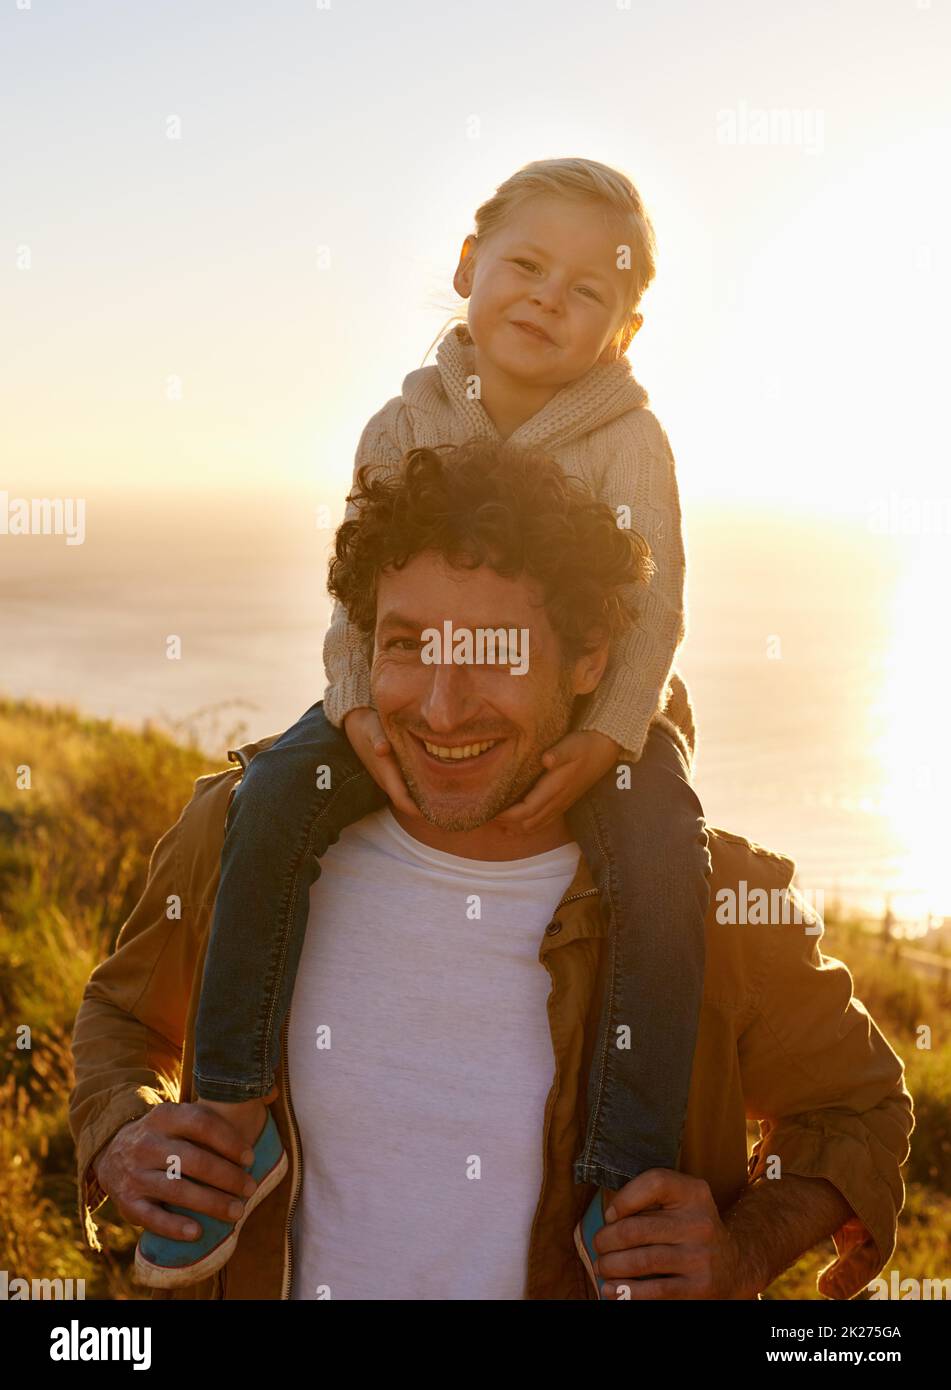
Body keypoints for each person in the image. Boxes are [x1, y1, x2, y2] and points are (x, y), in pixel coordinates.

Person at [69, 441, 913, 1300]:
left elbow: (858, 1109)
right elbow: (122, 1015)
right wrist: (122, 1131)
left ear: (589, 660)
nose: (441, 707)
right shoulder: (242, 836)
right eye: (407, 645)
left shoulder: (706, 899)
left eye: (493, 652)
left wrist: (739, 1251)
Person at [169, 158, 711, 1287]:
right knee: (272, 797)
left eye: (587, 291)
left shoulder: (627, 437)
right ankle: (232, 1110)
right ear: (470, 265)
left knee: (666, 861)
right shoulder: (401, 420)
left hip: (606, 715)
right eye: (524, 265)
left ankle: (623, 1174)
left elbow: (655, 615)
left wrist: (607, 739)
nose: (547, 299)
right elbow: (357, 601)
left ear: (627, 326)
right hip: (395, 698)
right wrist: (358, 708)